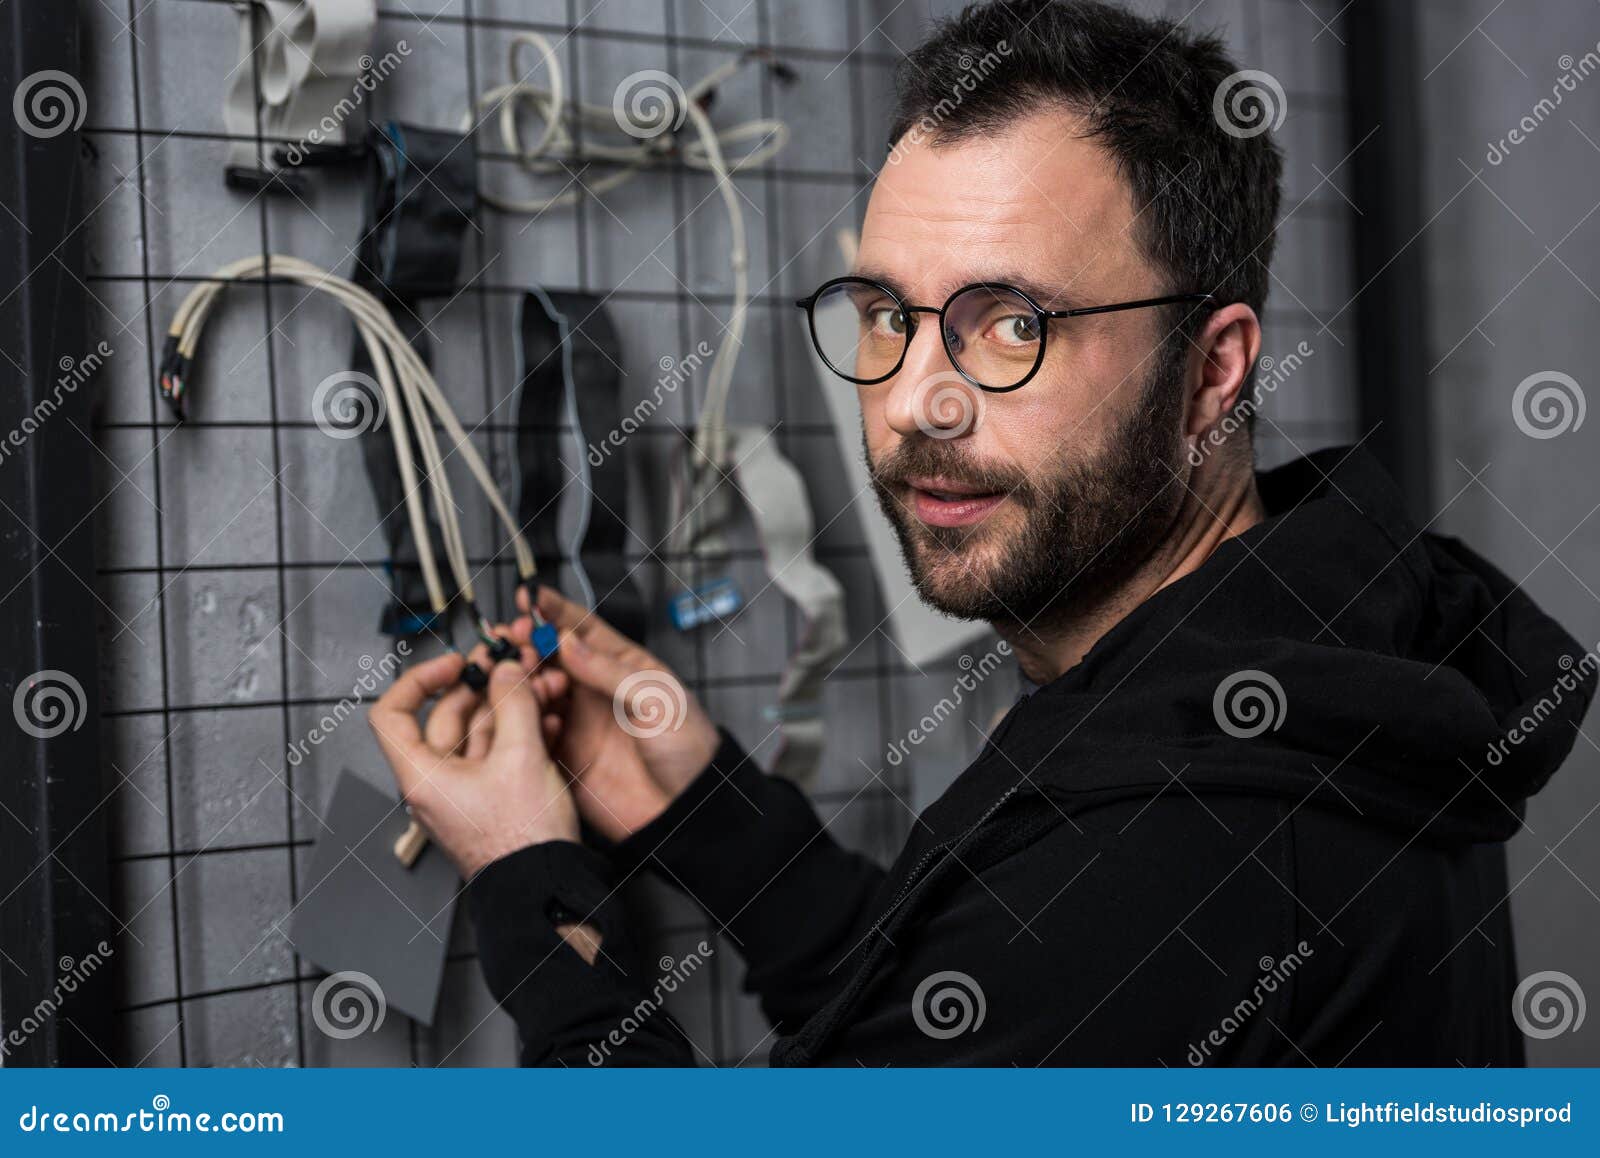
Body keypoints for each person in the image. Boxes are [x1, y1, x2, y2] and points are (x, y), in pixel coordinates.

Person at [370, 0, 1595, 1065]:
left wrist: (533, 884)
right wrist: (709, 813)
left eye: (1011, 326)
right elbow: (981, 1015)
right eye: (883, 312)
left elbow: (1051, 963)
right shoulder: (1324, 651)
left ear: (1211, 370)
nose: (912, 402)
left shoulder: (1185, 851)